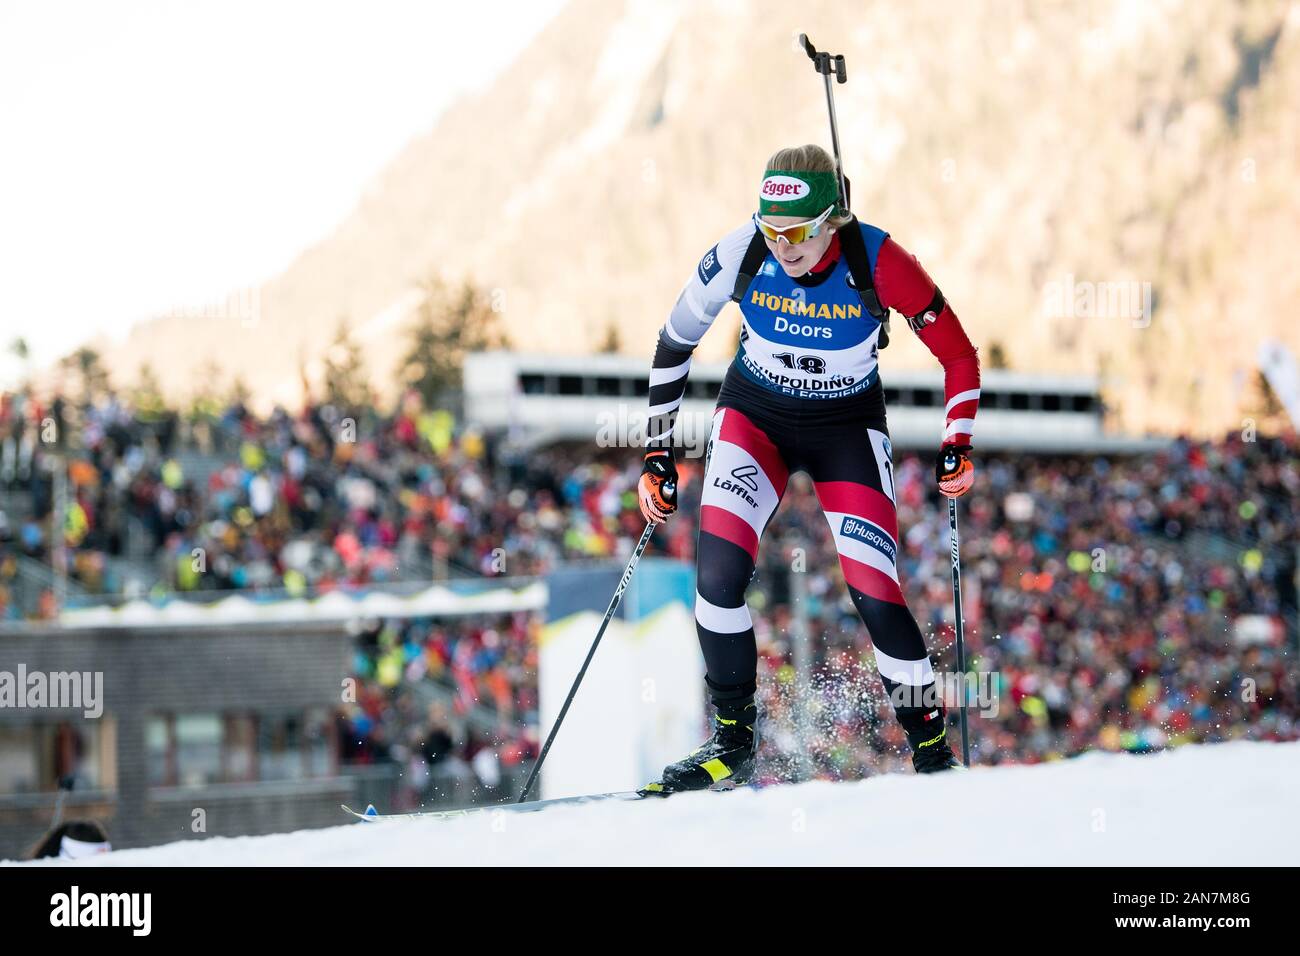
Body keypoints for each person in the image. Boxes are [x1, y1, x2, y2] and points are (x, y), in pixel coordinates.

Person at [638, 144, 980, 791]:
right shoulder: (742, 251)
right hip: (756, 416)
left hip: (843, 429)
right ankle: (732, 742)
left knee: (875, 591)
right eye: (772, 229)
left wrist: (955, 442)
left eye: (796, 232)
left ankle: (931, 747)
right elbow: (674, 341)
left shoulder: (878, 260)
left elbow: (959, 357)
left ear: (833, 220)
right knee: (716, 576)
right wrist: (658, 452)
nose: (783, 246)